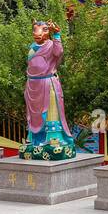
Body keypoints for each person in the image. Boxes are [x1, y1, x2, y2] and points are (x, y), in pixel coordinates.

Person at [23, 20, 75, 161]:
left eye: (42, 30)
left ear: (47, 32)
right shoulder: (32, 47)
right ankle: (34, 138)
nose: (37, 33)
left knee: (51, 110)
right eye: (35, 30)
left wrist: (57, 34)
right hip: (33, 84)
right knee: (34, 115)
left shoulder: (51, 45)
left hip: (48, 82)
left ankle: (54, 138)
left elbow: (58, 53)